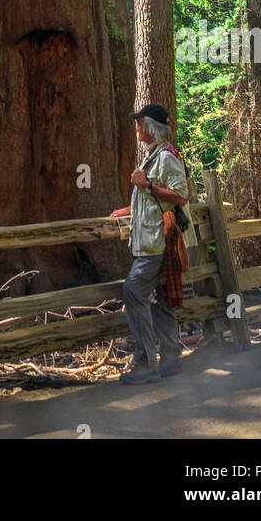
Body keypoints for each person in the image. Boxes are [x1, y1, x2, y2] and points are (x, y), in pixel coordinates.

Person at [110, 104, 196, 384]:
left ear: (152, 128)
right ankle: (171, 360)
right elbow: (152, 198)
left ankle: (147, 363)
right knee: (159, 300)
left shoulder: (167, 157)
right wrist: (128, 209)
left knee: (133, 291)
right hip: (152, 241)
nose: (136, 128)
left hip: (158, 244)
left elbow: (180, 196)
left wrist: (145, 185)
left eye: (140, 123)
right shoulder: (153, 156)